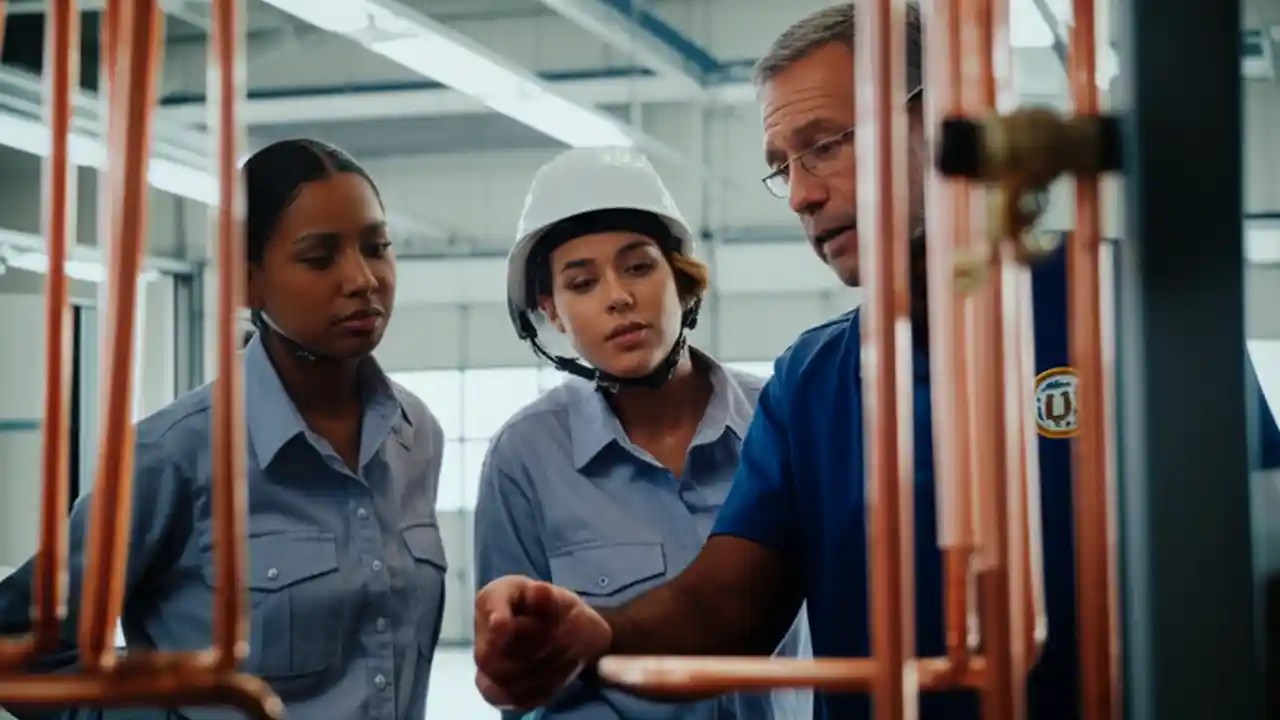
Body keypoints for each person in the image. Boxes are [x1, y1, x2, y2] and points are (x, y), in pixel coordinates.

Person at [471, 4, 1280, 720]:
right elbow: (726, 602)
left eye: (824, 145)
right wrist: (598, 632)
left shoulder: (1125, 306)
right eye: (783, 165)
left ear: (943, 122)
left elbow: (1259, 561)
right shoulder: (812, 381)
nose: (800, 195)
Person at [0, 138, 449, 720]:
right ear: (246, 282)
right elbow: (16, 647)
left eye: (376, 248)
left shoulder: (414, 436)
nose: (363, 279)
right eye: (319, 258)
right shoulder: (175, 457)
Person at [474, 146, 811, 719]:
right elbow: (520, 675)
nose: (618, 297)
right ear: (553, 313)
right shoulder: (525, 457)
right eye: (582, 283)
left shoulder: (781, 420)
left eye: (638, 267)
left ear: (680, 280)